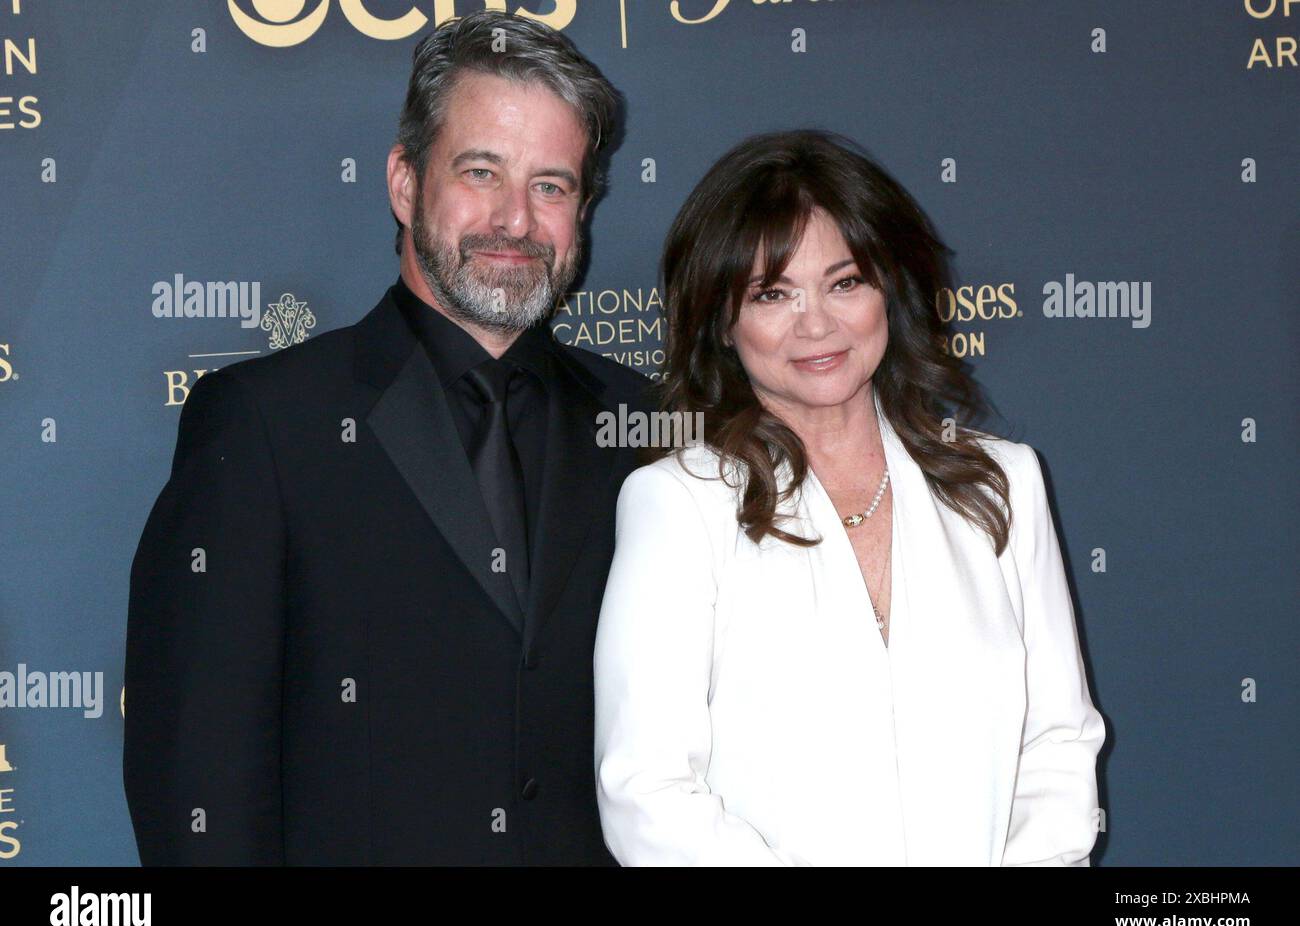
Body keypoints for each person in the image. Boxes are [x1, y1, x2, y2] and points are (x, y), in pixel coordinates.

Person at [123, 10, 652, 865]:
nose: (515, 220)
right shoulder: (264, 423)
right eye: (482, 172)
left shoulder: (644, 426)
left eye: (551, 186)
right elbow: (198, 779)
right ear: (405, 183)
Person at [593, 129, 1106, 866]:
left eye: (845, 282)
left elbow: (1056, 746)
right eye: (772, 293)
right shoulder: (679, 505)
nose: (817, 324)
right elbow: (649, 790)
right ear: (722, 322)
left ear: (890, 294)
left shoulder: (999, 484)